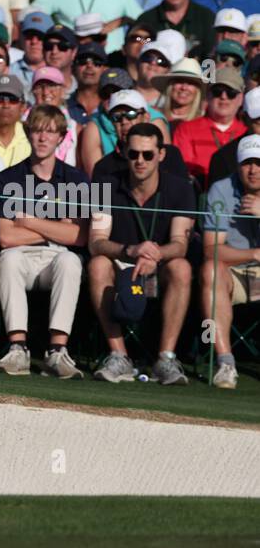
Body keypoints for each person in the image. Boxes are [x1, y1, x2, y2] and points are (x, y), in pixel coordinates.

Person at [82, 122, 195, 383]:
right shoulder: (105, 184)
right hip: (121, 259)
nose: (140, 161)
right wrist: (130, 250)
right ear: (124, 153)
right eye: (133, 154)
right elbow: (96, 242)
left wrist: (154, 254)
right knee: (97, 264)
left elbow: (180, 243)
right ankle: (119, 355)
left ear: (161, 155)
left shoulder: (180, 187)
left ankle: (166, 358)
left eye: (147, 154)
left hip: (160, 263)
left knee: (182, 267)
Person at [0, 104, 89, 378]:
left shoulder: (77, 179)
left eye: (50, 132)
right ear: (28, 134)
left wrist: (30, 221)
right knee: (8, 258)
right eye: (36, 131)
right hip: (20, 255)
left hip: (58, 256)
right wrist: (57, 226)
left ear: (61, 137)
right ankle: (17, 347)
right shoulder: (8, 178)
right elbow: (6, 236)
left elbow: (79, 237)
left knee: (71, 261)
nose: (43, 138)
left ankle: (57, 351)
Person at [201, 134, 260, 388]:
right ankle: (225, 362)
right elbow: (211, 249)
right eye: (247, 163)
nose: (254, 170)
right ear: (238, 165)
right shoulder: (222, 189)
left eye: (259, 163)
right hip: (235, 272)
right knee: (209, 270)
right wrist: (255, 254)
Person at [90, 89, 189, 183]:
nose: (124, 121)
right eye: (117, 116)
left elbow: (184, 196)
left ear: (146, 117)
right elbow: (98, 200)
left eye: (131, 114)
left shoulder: (170, 155)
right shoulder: (103, 167)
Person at [173, 66, 246, 190]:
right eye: (218, 91)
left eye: (231, 93)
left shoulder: (246, 132)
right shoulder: (186, 130)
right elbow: (184, 170)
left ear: (241, 99)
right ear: (208, 95)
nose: (223, 97)